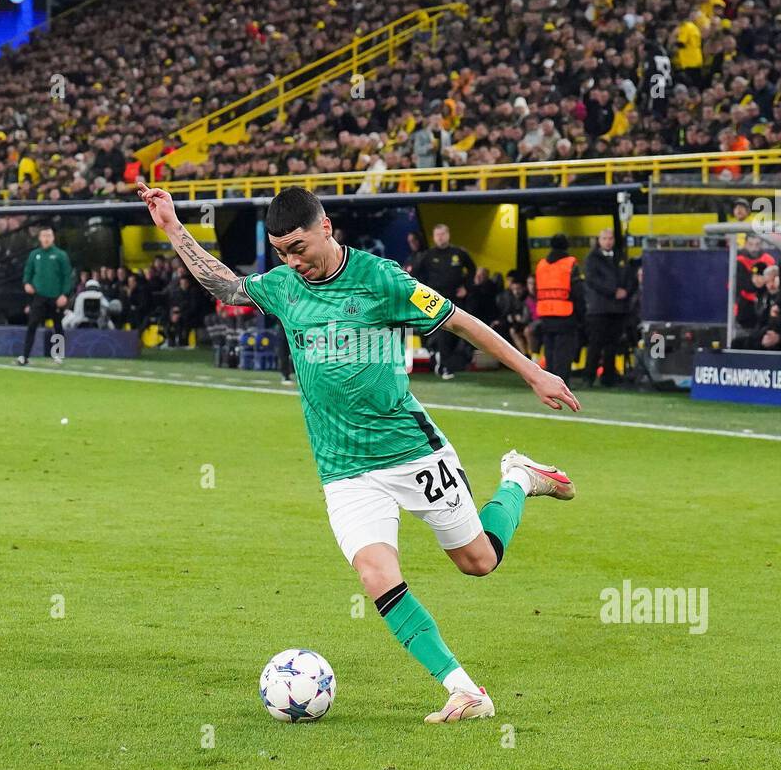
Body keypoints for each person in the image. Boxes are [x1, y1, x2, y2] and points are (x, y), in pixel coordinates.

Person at [139, 181, 580, 724]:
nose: (292, 261)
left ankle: (519, 478)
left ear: (326, 227)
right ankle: (466, 690)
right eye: (281, 252)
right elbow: (227, 287)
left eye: (298, 248)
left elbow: (462, 322)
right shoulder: (283, 286)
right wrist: (172, 227)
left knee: (478, 561)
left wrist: (535, 374)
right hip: (344, 469)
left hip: (411, 452)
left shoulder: (382, 280)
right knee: (376, 575)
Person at [411, 224, 475, 379]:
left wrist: (466, 287)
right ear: (433, 237)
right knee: (442, 332)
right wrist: (422, 296)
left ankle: (438, 355)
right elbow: (414, 275)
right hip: (435, 299)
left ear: (448, 235)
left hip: (455, 297)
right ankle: (444, 366)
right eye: (437, 234)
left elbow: (472, 269)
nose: (440, 237)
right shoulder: (427, 255)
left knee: (456, 331)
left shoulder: (458, 253)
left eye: (442, 234)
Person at [582, 228, 631, 386]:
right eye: (605, 238)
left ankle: (608, 378)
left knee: (612, 344)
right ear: (599, 240)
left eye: (610, 238)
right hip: (599, 309)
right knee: (596, 344)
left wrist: (625, 291)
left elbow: (628, 276)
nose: (608, 241)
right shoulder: (591, 258)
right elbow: (592, 280)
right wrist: (613, 291)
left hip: (617, 308)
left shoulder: (620, 256)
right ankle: (588, 377)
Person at [18, 227, 73, 366]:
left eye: (49, 235)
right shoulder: (34, 255)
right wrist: (27, 284)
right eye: (44, 235)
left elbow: (67, 276)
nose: (46, 238)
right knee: (32, 324)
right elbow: (28, 272)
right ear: (40, 238)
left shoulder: (60, 255)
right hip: (39, 296)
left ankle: (58, 355)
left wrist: (64, 294)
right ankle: (25, 355)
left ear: (53, 237)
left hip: (56, 297)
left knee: (57, 325)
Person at [534, 235, 582, 387]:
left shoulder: (541, 265)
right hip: (565, 313)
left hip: (545, 313)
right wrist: (581, 314)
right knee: (563, 352)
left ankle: (549, 381)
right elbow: (578, 291)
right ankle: (561, 383)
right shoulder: (570, 264)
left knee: (549, 350)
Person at [734, 232, 776, 330]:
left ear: (761, 245)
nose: (753, 248)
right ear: (745, 244)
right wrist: (761, 281)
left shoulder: (768, 259)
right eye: (750, 244)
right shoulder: (739, 260)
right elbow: (744, 285)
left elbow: (772, 284)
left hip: (765, 303)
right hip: (745, 305)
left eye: (757, 244)